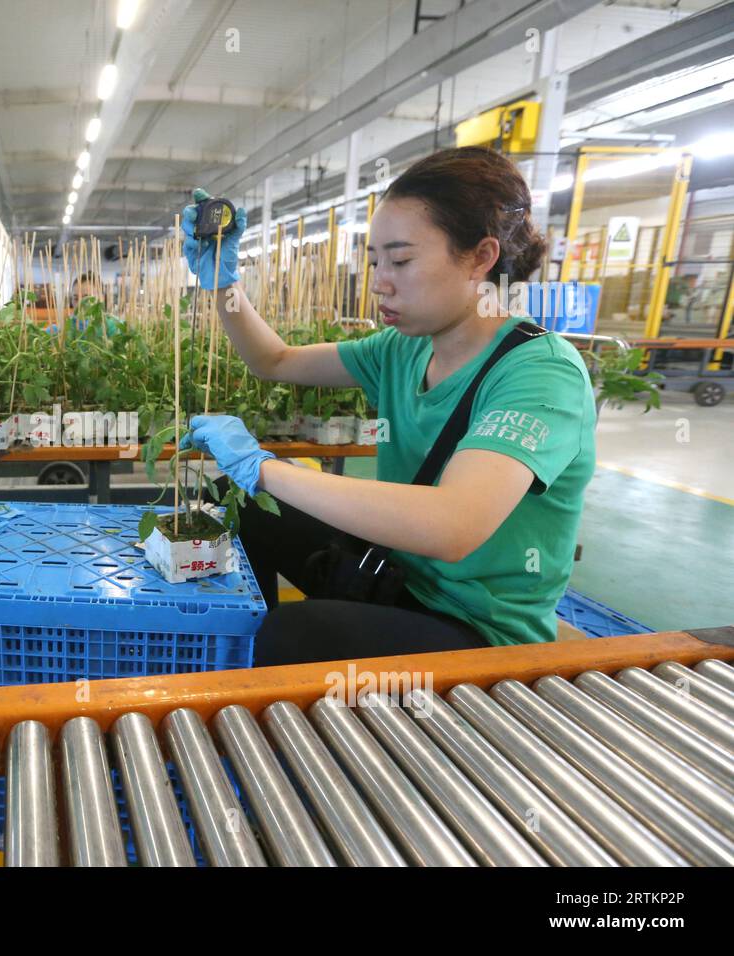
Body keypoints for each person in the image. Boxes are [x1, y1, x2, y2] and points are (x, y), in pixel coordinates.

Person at [179, 147, 596, 665]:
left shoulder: (540, 372)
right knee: (234, 501)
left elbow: (452, 527)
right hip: (390, 575)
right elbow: (276, 359)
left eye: (401, 260)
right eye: (375, 260)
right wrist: (224, 285)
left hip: (476, 631)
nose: (380, 281)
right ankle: (244, 660)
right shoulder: (404, 348)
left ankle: (275, 690)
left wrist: (263, 468)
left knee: (298, 632)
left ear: (481, 257)